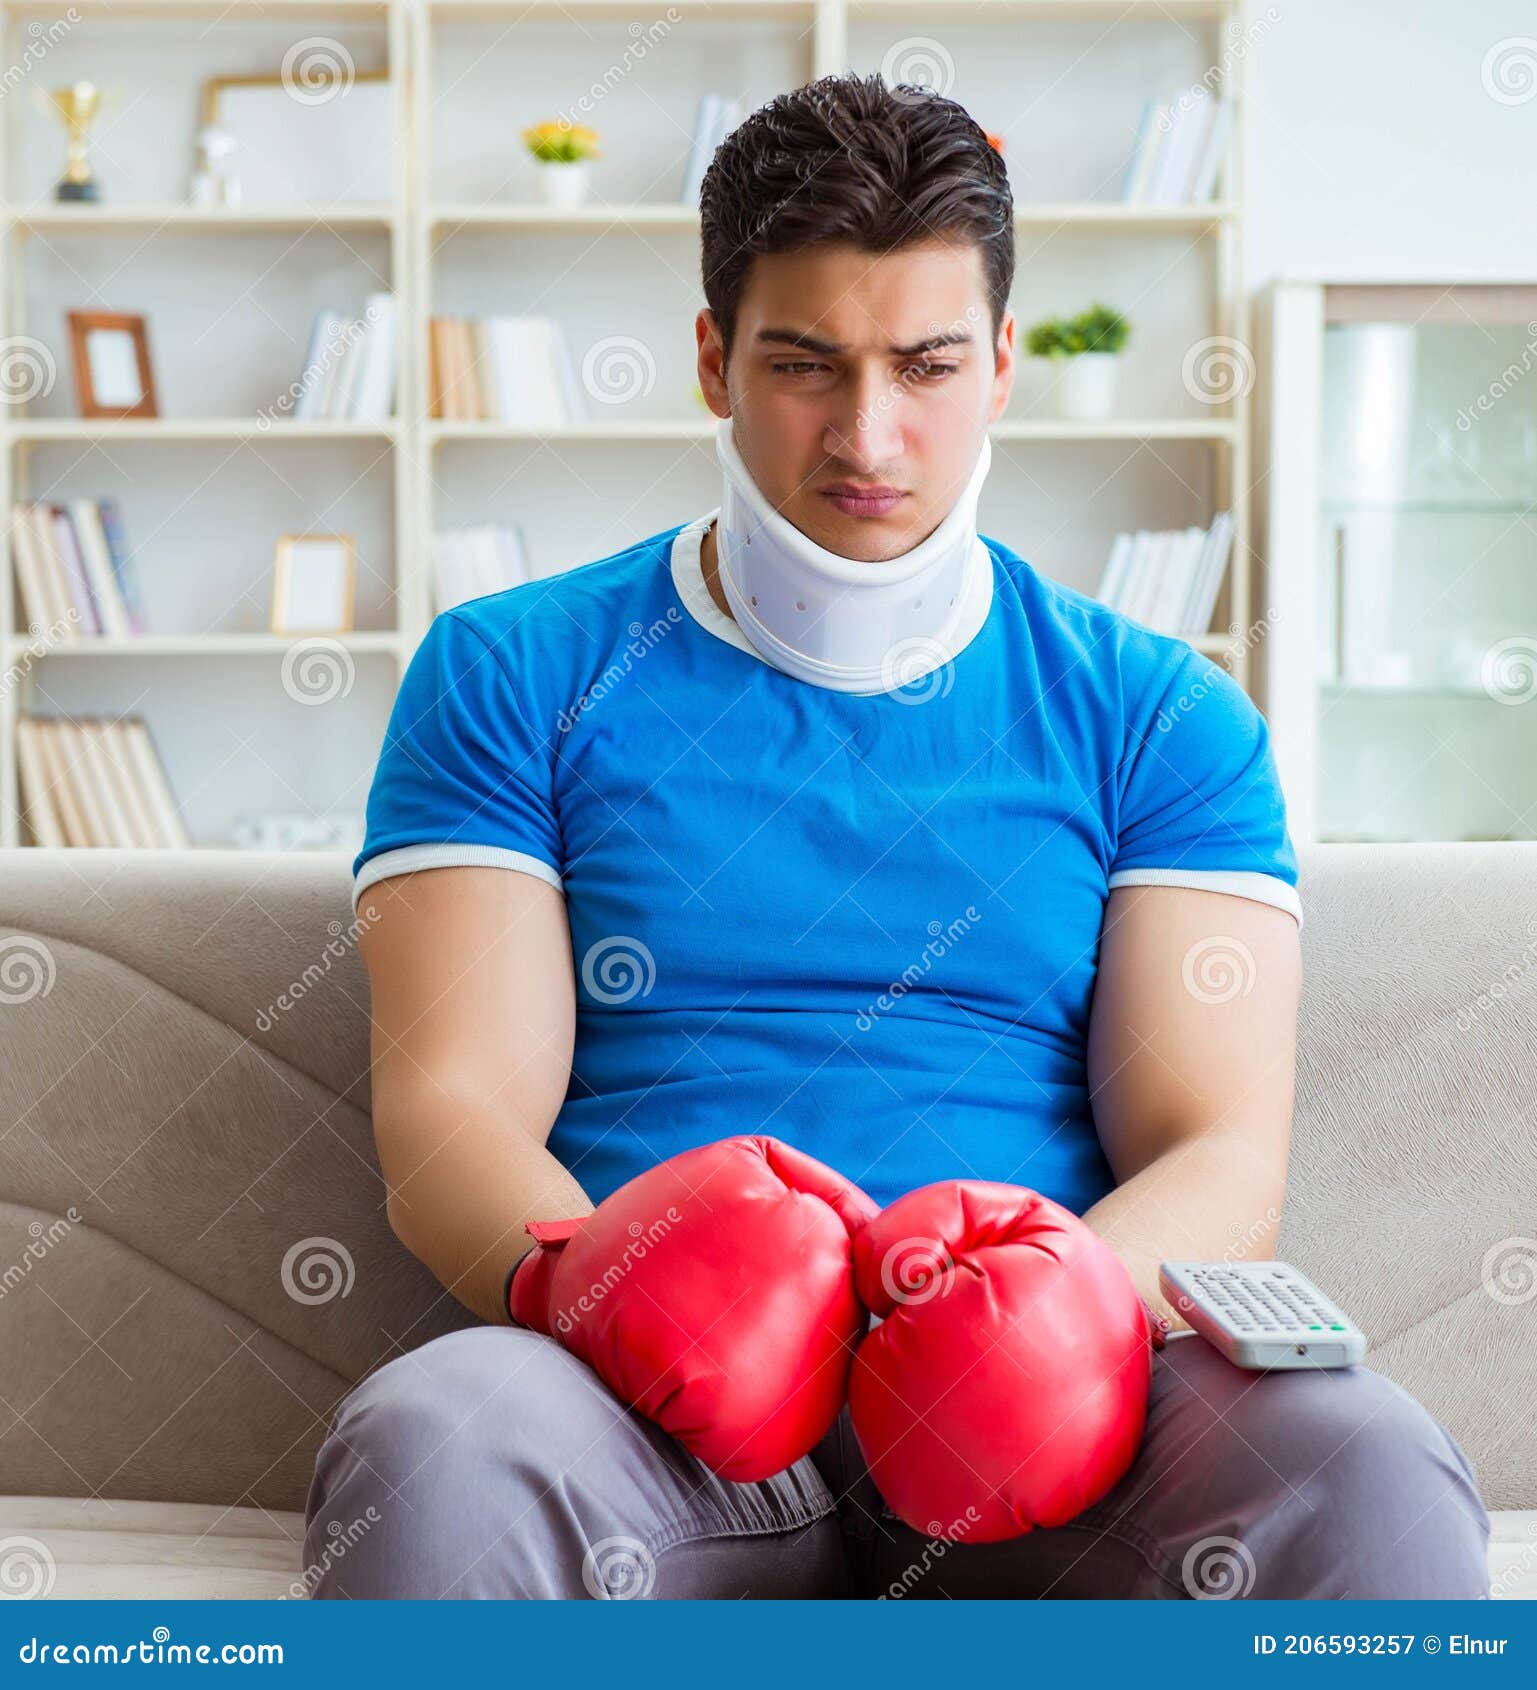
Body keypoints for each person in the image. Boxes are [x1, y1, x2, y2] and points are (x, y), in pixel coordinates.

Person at [304, 71, 1490, 1600]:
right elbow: (451, 1114)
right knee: (432, 1436)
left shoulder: (1159, 716)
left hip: (1053, 1417)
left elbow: (1217, 1151)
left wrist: (1065, 1312)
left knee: (1369, 1459)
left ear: (1001, 363)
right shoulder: (508, 672)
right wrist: (592, 1279)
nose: (869, 434)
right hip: (648, 1413)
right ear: (713, 359)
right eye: (805, 364)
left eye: (925, 364)